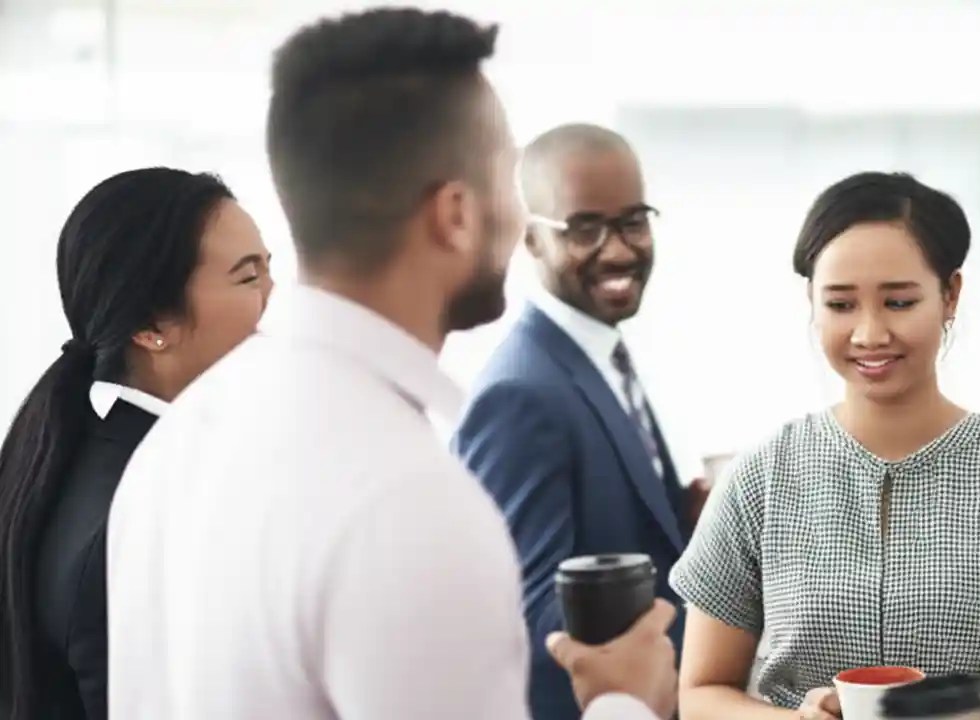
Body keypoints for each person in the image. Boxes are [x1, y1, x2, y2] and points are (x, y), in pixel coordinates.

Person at [106, 9, 673, 720]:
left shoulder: (173, 442)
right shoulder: (411, 499)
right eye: (506, 182)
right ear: (455, 214)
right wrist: (627, 703)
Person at [670, 172, 980, 720]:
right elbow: (700, 693)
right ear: (812, 301)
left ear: (950, 295)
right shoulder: (763, 477)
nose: (869, 334)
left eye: (898, 301)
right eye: (840, 304)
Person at [453, 123, 706, 720]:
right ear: (531, 240)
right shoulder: (519, 395)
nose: (618, 251)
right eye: (585, 229)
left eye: (633, 222)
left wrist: (698, 530)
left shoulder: (600, 356)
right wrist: (708, 646)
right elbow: (531, 621)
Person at [0, 168, 272, 720]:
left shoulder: (92, 456)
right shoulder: (155, 510)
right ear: (152, 326)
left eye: (270, 270)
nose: (274, 296)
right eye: (248, 277)